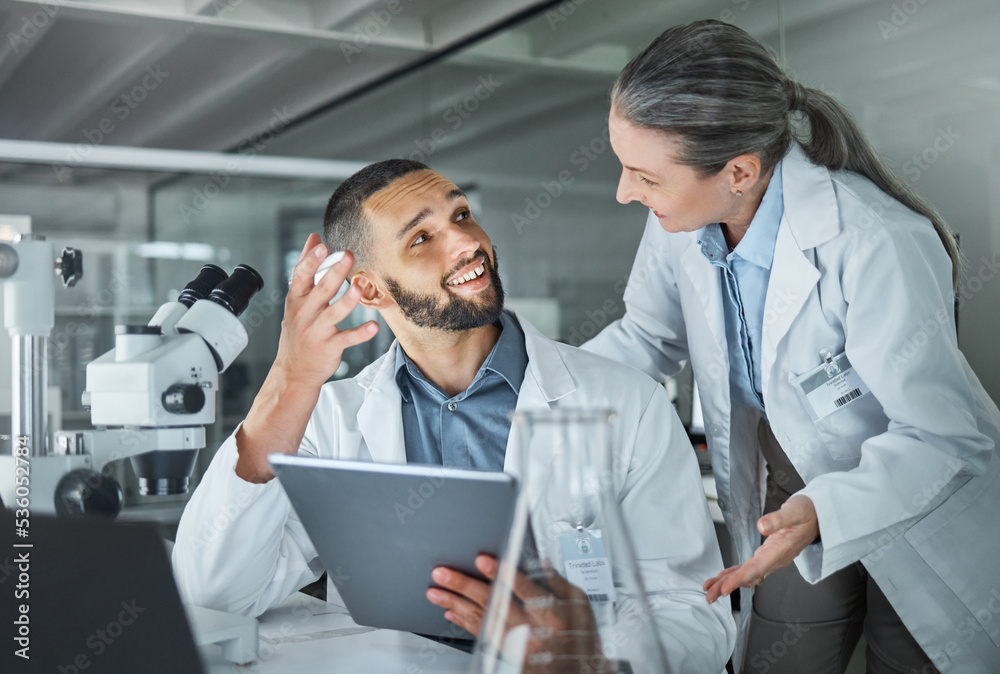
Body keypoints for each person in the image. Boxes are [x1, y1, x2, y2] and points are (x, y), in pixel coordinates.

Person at [171, 159, 736, 672]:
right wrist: (289, 382)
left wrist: (590, 662)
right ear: (368, 288)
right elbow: (217, 595)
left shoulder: (626, 402)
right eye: (422, 237)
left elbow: (693, 611)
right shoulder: (332, 420)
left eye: (461, 214)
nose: (466, 241)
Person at [582, 18, 1000, 674]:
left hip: (919, 487)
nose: (625, 192)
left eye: (645, 175)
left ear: (740, 172)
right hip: (787, 477)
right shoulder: (680, 221)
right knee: (778, 661)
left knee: (911, 655)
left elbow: (942, 436)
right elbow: (645, 339)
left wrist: (820, 509)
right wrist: (528, 389)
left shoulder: (875, 239)